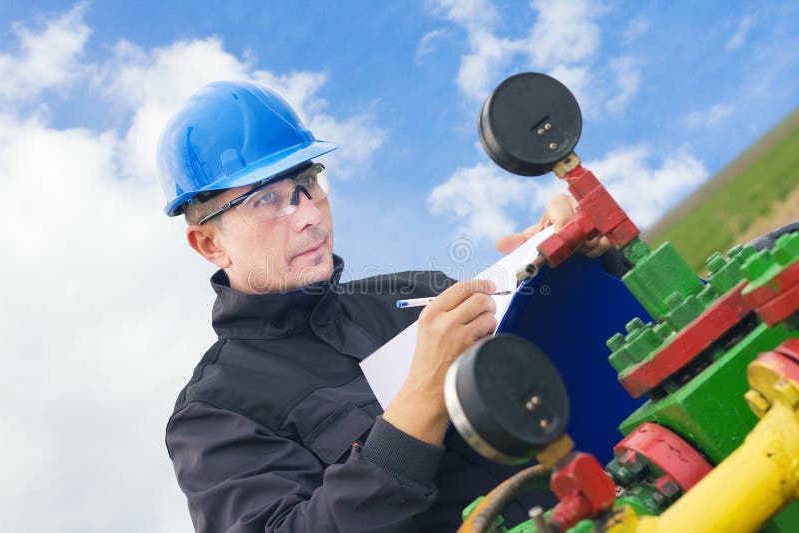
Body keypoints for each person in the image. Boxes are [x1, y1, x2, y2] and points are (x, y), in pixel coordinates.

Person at [158, 81, 613, 533]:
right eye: (266, 200)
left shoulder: (421, 294)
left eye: (307, 181)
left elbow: (587, 367)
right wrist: (421, 401)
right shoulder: (215, 415)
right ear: (210, 244)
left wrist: (573, 260)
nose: (309, 215)